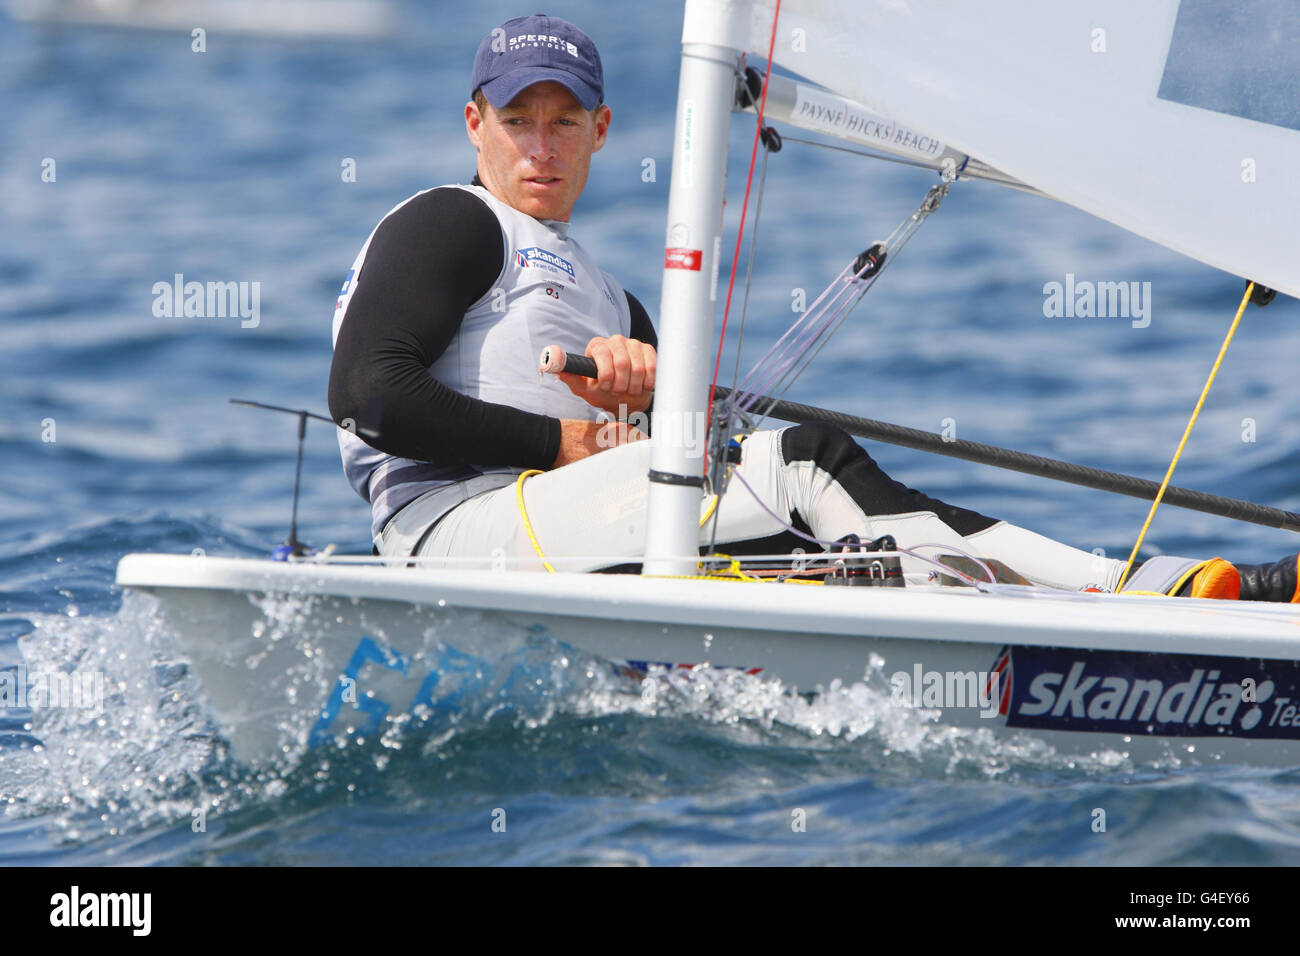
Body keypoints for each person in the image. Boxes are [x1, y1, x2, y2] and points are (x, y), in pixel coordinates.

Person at [328, 14, 1299, 603]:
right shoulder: (454, 221)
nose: (539, 145)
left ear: (600, 129)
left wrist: (639, 407)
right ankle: (1136, 591)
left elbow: (671, 455)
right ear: (474, 124)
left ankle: (1096, 612)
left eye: (563, 119)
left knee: (840, 543)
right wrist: (574, 442)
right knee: (805, 458)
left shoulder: (613, 292)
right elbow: (369, 393)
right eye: (515, 119)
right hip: (453, 532)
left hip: (564, 535)